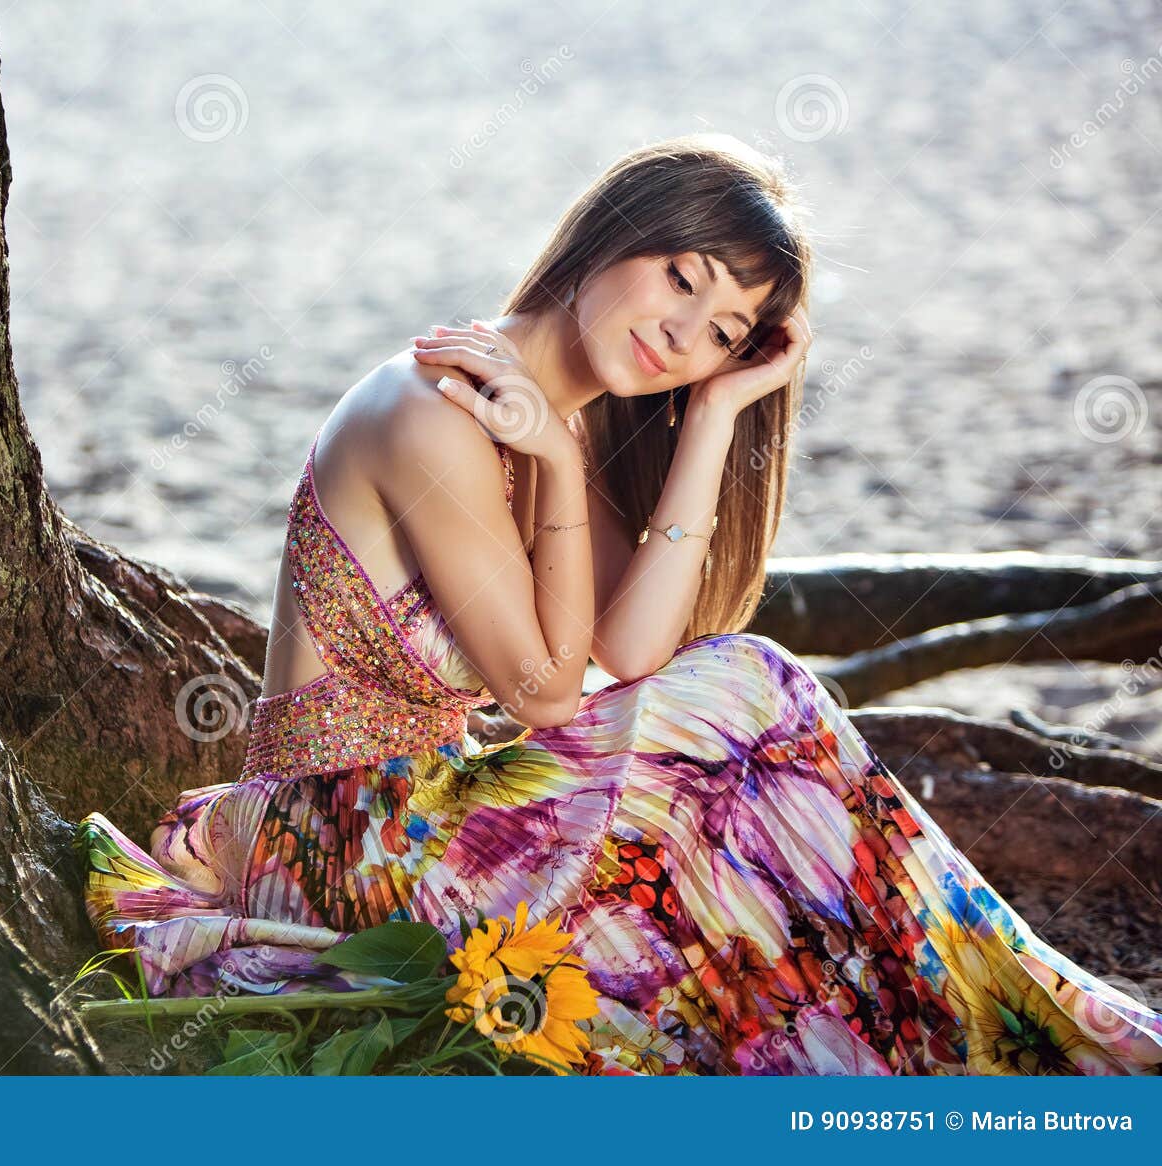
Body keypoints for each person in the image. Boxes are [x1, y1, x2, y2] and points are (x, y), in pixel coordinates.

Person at [75, 133, 1162, 1075]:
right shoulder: (433, 409)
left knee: (750, 734)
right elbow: (548, 694)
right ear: (612, 232)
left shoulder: (566, 424)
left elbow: (632, 650)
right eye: (683, 278)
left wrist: (716, 416)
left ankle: (989, 1037)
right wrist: (548, 459)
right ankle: (1039, 1031)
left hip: (434, 817)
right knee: (754, 686)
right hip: (334, 837)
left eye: (727, 332)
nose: (687, 334)